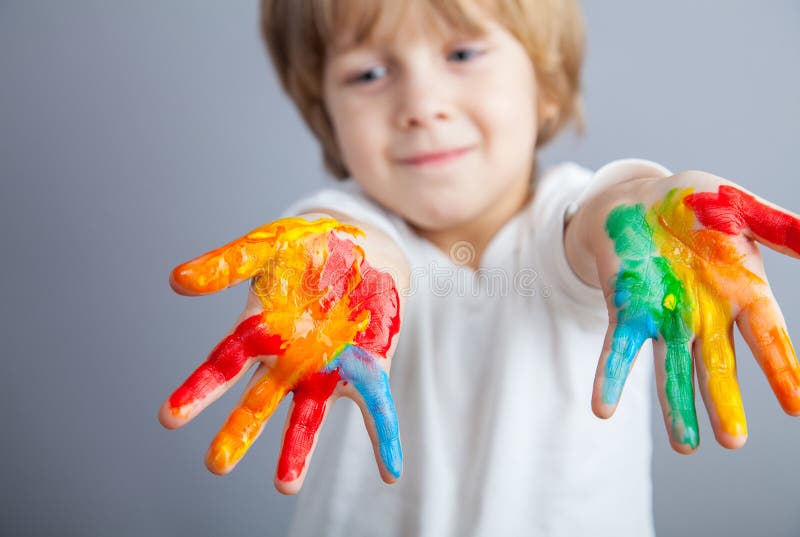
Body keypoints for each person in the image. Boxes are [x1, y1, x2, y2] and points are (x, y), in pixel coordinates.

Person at [158, 1, 800, 536]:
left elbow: (601, 217)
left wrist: (639, 212)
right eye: (369, 73)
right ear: (325, 114)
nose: (422, 103)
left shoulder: (573, 223)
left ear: (545, 82)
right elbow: (360, 248)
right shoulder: (335, 244)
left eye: (462, 55)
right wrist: (346, 273)